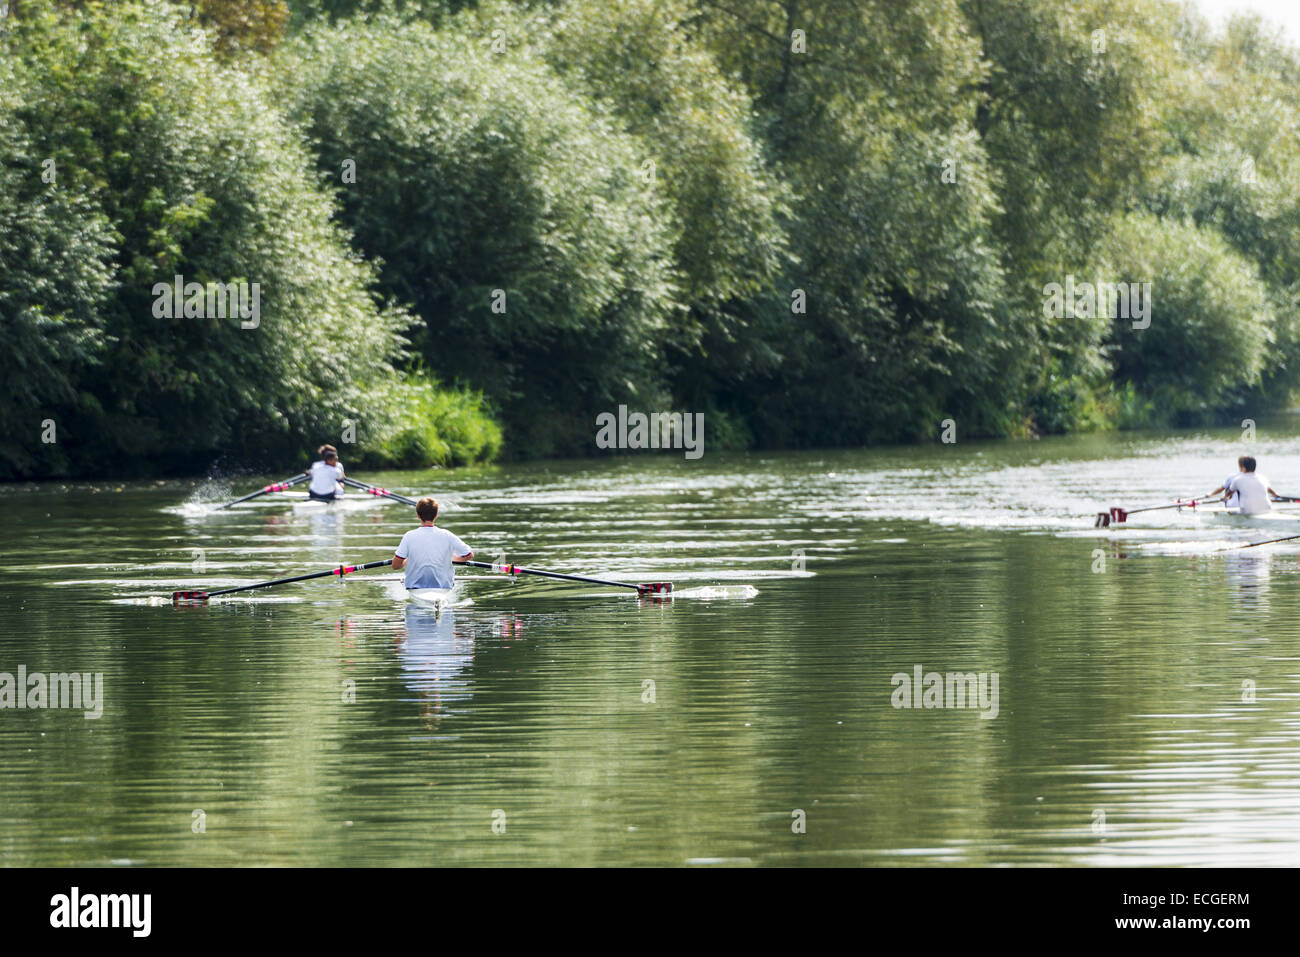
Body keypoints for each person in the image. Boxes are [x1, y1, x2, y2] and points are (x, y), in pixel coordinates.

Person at [392, 497, 473, 590]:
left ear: (418, 515)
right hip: (443, 588)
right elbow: (469, 555)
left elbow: (395, 566)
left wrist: (406, 561)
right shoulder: (447, 535)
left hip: (415, 589)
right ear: (436, 515)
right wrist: (449, 559)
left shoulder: (409, 536)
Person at [1203, 456, 1279, 515]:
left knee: (1229, 490)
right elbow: (1269, 489)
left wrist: (1224, 498)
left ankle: (1231, 514)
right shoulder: (1262, 477)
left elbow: (1228, 493)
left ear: (1243, 468)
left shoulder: (1238, 479)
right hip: (1267, 508)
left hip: (1247, 511)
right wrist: (1275, 495)